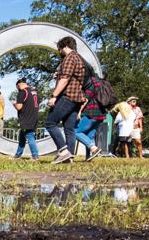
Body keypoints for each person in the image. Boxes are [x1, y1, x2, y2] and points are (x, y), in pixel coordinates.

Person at [46, 36, 87, 164]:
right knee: (69, 129)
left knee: (50, 123)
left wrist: (54, 96)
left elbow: (65, 79)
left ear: (64, 46)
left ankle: (63, 152)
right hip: (77, 99)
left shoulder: (70, 58)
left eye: (59, 48)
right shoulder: (79, 58)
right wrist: (58, 75)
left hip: (67, 96)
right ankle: (69, 157)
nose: (59, 52)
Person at [74, 71, 109, 161]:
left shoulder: (93, 84)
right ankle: (89, 157)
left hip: (91, 113)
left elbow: (85, 99)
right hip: (101, 114)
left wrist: (79, 111)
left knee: (76, 132)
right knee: (89, 136)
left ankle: (93, 148)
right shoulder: (104, 85)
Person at [12, 78, 39, 161]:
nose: (18, 89)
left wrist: (14, 104)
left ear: (19, 85)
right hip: (34, 116)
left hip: (26, 118)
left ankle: (35, 156)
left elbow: (19, 107)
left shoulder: (22, 92)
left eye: (17, 87)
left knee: (29, 135)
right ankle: (18, 155)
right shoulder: (34, 92)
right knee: (22, 136)